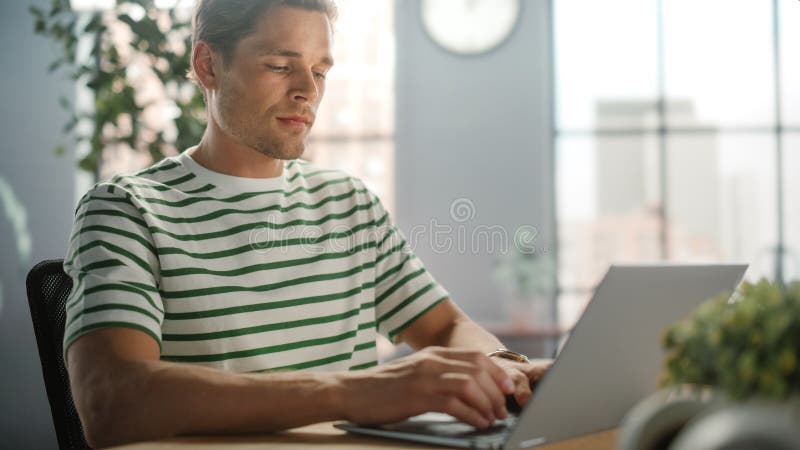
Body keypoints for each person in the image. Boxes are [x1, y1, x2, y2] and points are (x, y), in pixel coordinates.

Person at [63, 0, 550, 447]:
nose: (308, 91)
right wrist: (359, 391)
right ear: (208, 65)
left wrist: (504, 373)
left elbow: (447, 328)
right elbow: (113, 398)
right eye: (280, 66)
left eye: (320, 71)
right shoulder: (126, 209)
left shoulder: (348, 201)